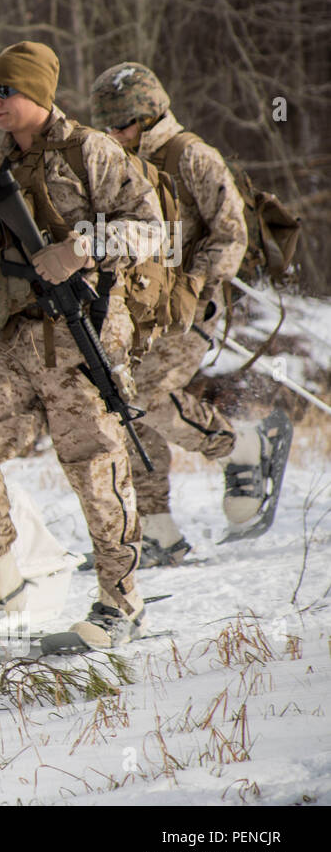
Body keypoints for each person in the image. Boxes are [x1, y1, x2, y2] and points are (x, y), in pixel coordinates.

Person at [0, 42, 165, 648]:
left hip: (82, 338)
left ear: (39, 95)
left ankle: (120, 604)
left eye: (6, 92)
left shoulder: (91, 151)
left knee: (95, 473)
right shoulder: (3, 168)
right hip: (14, 342)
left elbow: (153, 229)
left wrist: (82, 248)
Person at [90, 62, 290, 561]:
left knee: (147, 393)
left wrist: (198, 286)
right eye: (108, 125)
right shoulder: (117, 163)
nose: (114, 134)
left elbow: (230, 234)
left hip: (191, 308)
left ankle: (240, 445)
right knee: (124, 405)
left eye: (122, 124)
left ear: (150, 114)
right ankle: (155, 526)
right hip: (135, 309)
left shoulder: (193, 156)